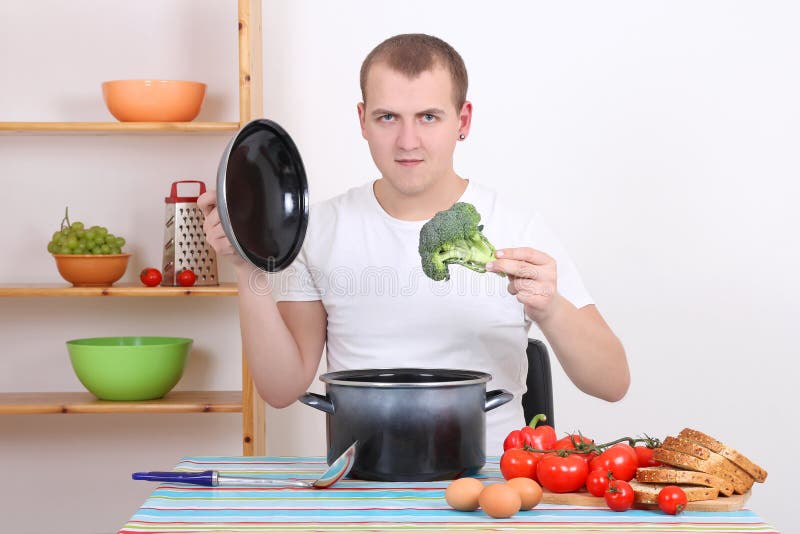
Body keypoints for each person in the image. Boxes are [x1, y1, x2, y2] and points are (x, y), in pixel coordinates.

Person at [199, 33, 629, 453]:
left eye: (428, 117)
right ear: (362, 120)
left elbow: (612, 383)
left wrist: (551, 308)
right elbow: (280, 388)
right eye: (388, 117)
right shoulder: (319, 229)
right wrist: (247, 268)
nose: (407, 142)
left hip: (496, 480)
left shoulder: (518, 227)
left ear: (462, 121)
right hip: (363, 479)